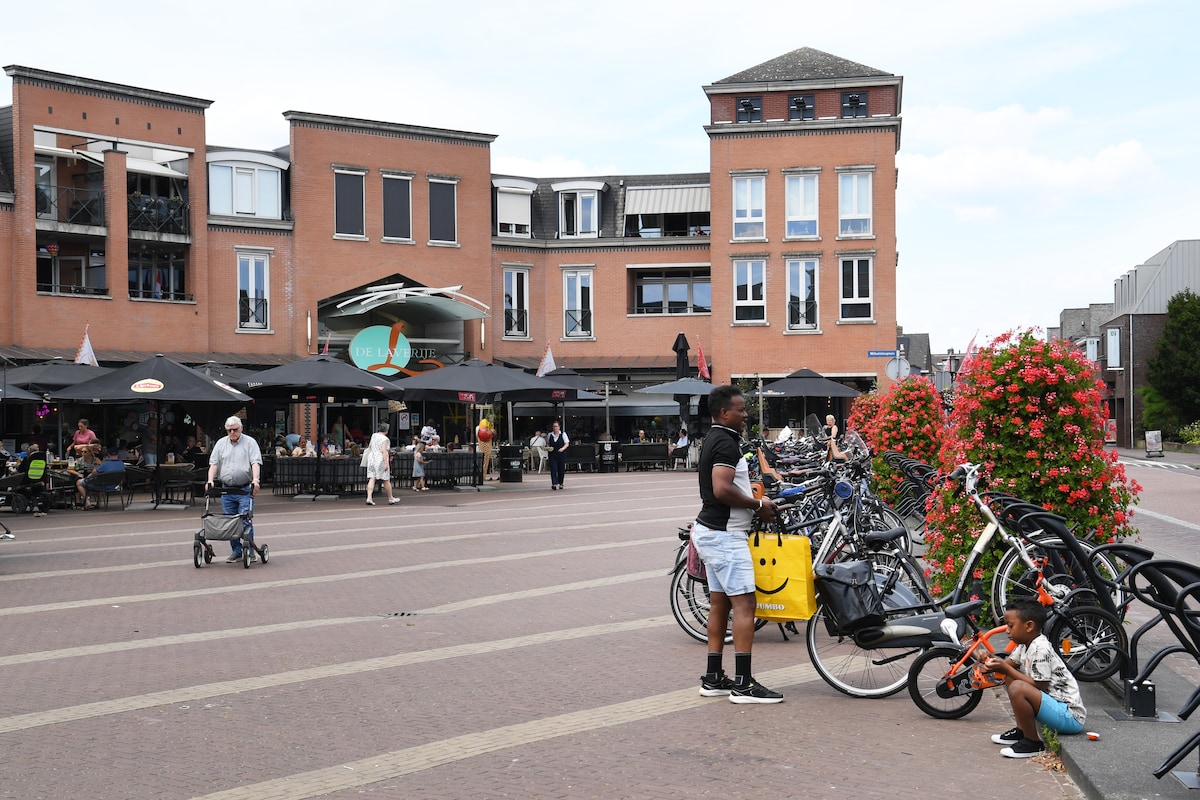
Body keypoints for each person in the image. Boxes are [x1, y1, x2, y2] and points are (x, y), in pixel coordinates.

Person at [692, 384, 781, 703]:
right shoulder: (726, 442)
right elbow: (721, 488)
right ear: (724, 412)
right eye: (740, 410)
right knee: (745, 605)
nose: (745, 415)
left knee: (720, 603)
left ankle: (714, 677)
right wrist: (758, 505)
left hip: (711, 531)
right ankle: (743, 684)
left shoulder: (714, 438)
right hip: (726, 536)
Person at [984, 599, 1086, 758]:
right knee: (1011, 677)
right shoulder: (1025, 644)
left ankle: (1032, 743)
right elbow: (1007, 665)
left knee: (1017, 686)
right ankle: (1022, 730)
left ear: (1029, 626)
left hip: (1070, 717)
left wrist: (1005, 668)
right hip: (1053, 708)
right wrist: (988, 658)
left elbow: (1040, 685)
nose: (1007, 631)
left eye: (1011, 626)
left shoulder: (1040, 649)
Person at [204, 416, 262, 563]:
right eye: (229, 430)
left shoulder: (250, 442)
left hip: (244, 489)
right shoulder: (221, 444)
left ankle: (250, 550)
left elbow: (255, 463)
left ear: (241, 428)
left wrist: (256, 480)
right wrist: (210, 480)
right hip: (227, 490)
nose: (232, 432)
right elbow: (214, 464)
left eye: (235, 429)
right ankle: (236, 551)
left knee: (245, 520)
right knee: (230, 521)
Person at [363, 421, 400, 506]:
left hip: (372, 458)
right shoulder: (385, 439)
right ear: (386, 430)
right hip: (380, 459)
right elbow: (383, 451)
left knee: (372, 478)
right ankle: (390, 498)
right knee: (386, 479)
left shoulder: (374, 435)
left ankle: (369, 498)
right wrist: (386, 463)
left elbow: (370, 446)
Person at [547, 420, 569, 490]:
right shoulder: (550, 435)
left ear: (559, 427)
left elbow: (567, 443)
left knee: (561, 469)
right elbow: (548, 443)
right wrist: (548, 447)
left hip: (561, 454)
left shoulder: (563, 434)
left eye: (556, 426)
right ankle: (554, 483)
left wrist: (562, 448)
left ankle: (561, 483)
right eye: (554, 426)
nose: (555, 428)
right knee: (553, 469)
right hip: (552, 454)